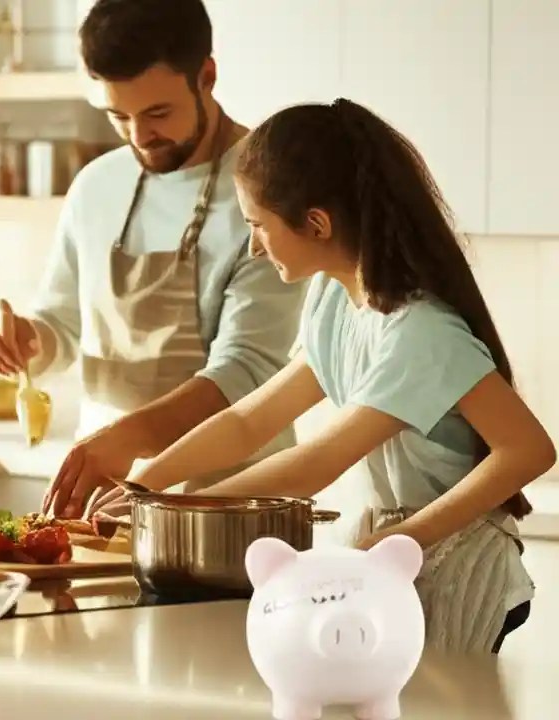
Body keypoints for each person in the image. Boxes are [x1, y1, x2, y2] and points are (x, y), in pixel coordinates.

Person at [91, 98, 554, 654]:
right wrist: (146, 484)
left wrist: (173, 512)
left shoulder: (418, 330)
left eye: (257, 225)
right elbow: (247, 420)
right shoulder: (334, 301)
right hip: (391, 558)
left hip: (459, 567)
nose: (254, 247)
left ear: (316, 223)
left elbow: (527, 450)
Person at [0, 0, 306, 518]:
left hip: (228, 502)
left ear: (206, 75)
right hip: (104, 495)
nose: (140, 137)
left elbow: (246, 372)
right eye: (119, 116)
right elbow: (62, 324)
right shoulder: (95, 186)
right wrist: (30, 341)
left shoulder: (266, 188)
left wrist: (125, 439)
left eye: (158, 113)